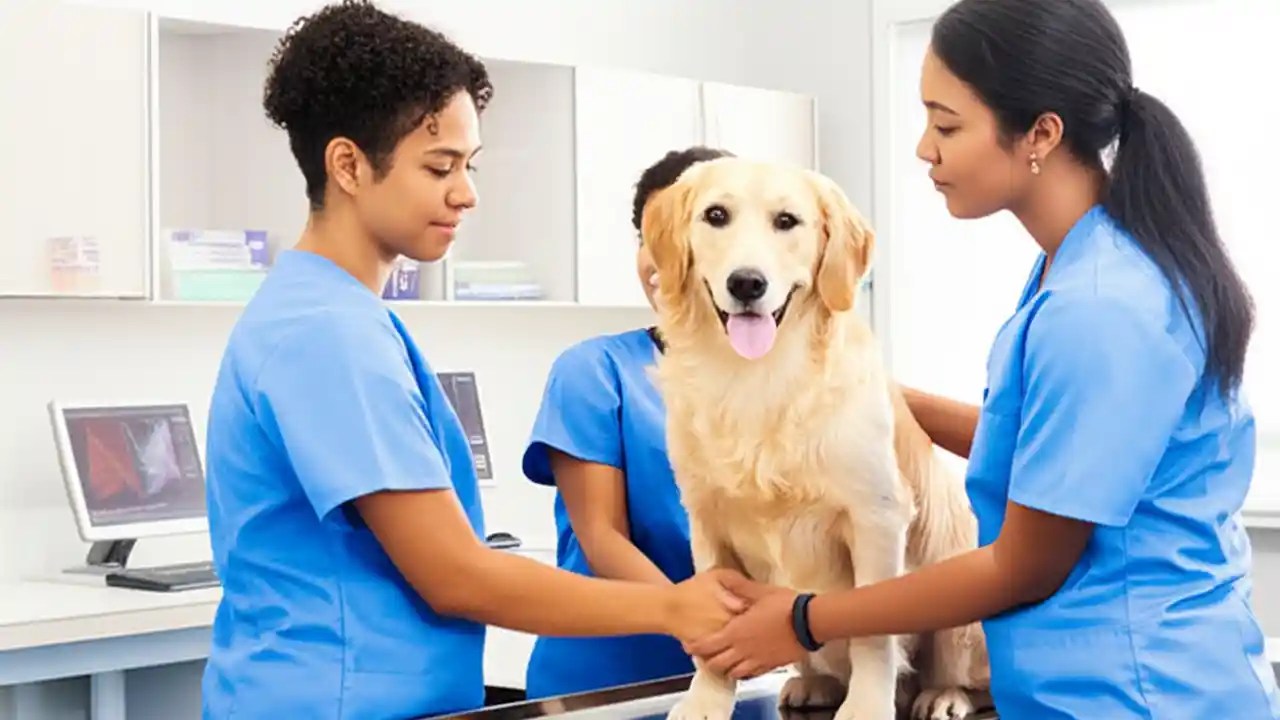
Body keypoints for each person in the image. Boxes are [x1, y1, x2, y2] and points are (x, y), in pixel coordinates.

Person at [684, 0, 1280, 718]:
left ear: (1040, 134)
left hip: (1138, 692)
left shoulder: (1100, 308)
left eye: (946, 124)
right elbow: (1049, 457)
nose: (924, 149)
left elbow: (1021, 565)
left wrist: (805, 618)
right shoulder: (1085, 270)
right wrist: (873, 399)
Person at [199, 3, 743, 718]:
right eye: (440, 166)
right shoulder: (326, 334)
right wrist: (673, 610)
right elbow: (454, 574)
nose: (467, 192)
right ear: (349, 165)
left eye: (469, 165)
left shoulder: (338, 316)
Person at [520, 146, 734, 698]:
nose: (661, 257)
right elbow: (602, 538)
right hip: (610, 683)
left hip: (738, 676)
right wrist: (708, 633)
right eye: (648, 235)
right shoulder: (594, 371)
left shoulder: (777, 389)